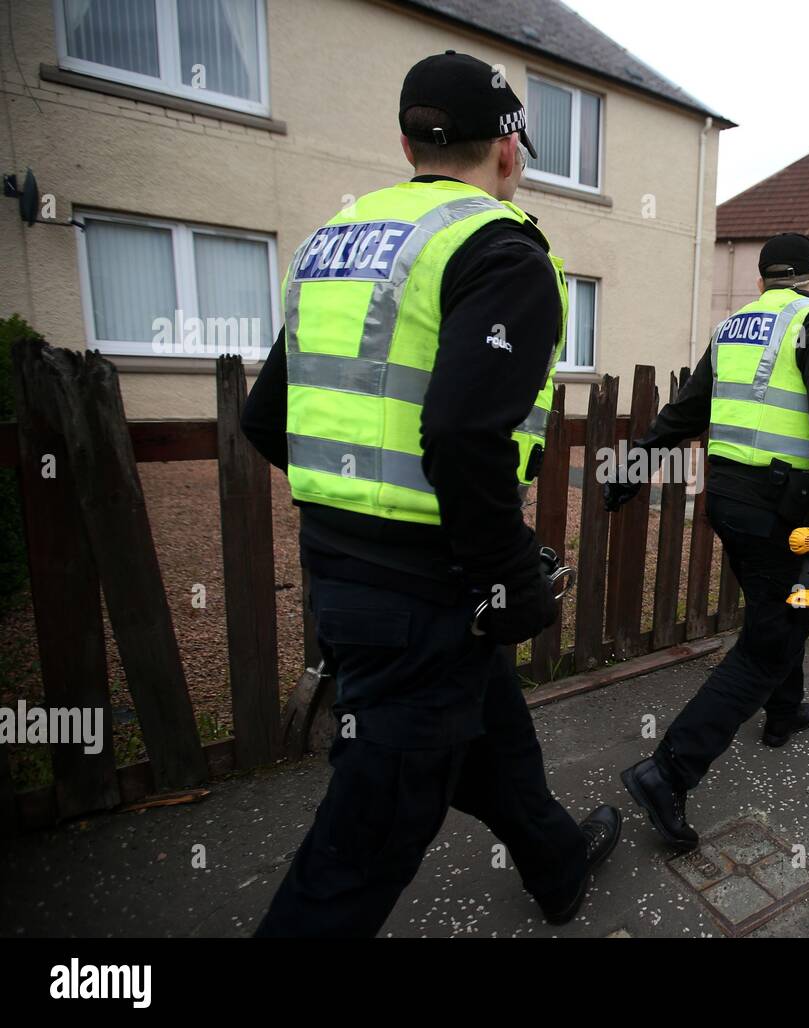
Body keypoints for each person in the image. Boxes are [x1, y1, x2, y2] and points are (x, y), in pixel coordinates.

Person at [241, 51, 620, 936]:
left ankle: (557, 866)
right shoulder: (498, 246)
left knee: (492, 735)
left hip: (348, 573)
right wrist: (505, 573)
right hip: (428, 586)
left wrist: (354, 510)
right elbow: (460, 434)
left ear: (407, 140)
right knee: (368, 838)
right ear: (511, 149)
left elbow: (270, 419)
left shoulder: (337, 239)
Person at [605, 233, 809, 852]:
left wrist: (629, 470)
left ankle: (786, 710)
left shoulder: (734, 327)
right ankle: (668, 772)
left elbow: (682, 413)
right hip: (783, 508)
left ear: (761, 280)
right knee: (769, 637)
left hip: (729, 502)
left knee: (781, 604)